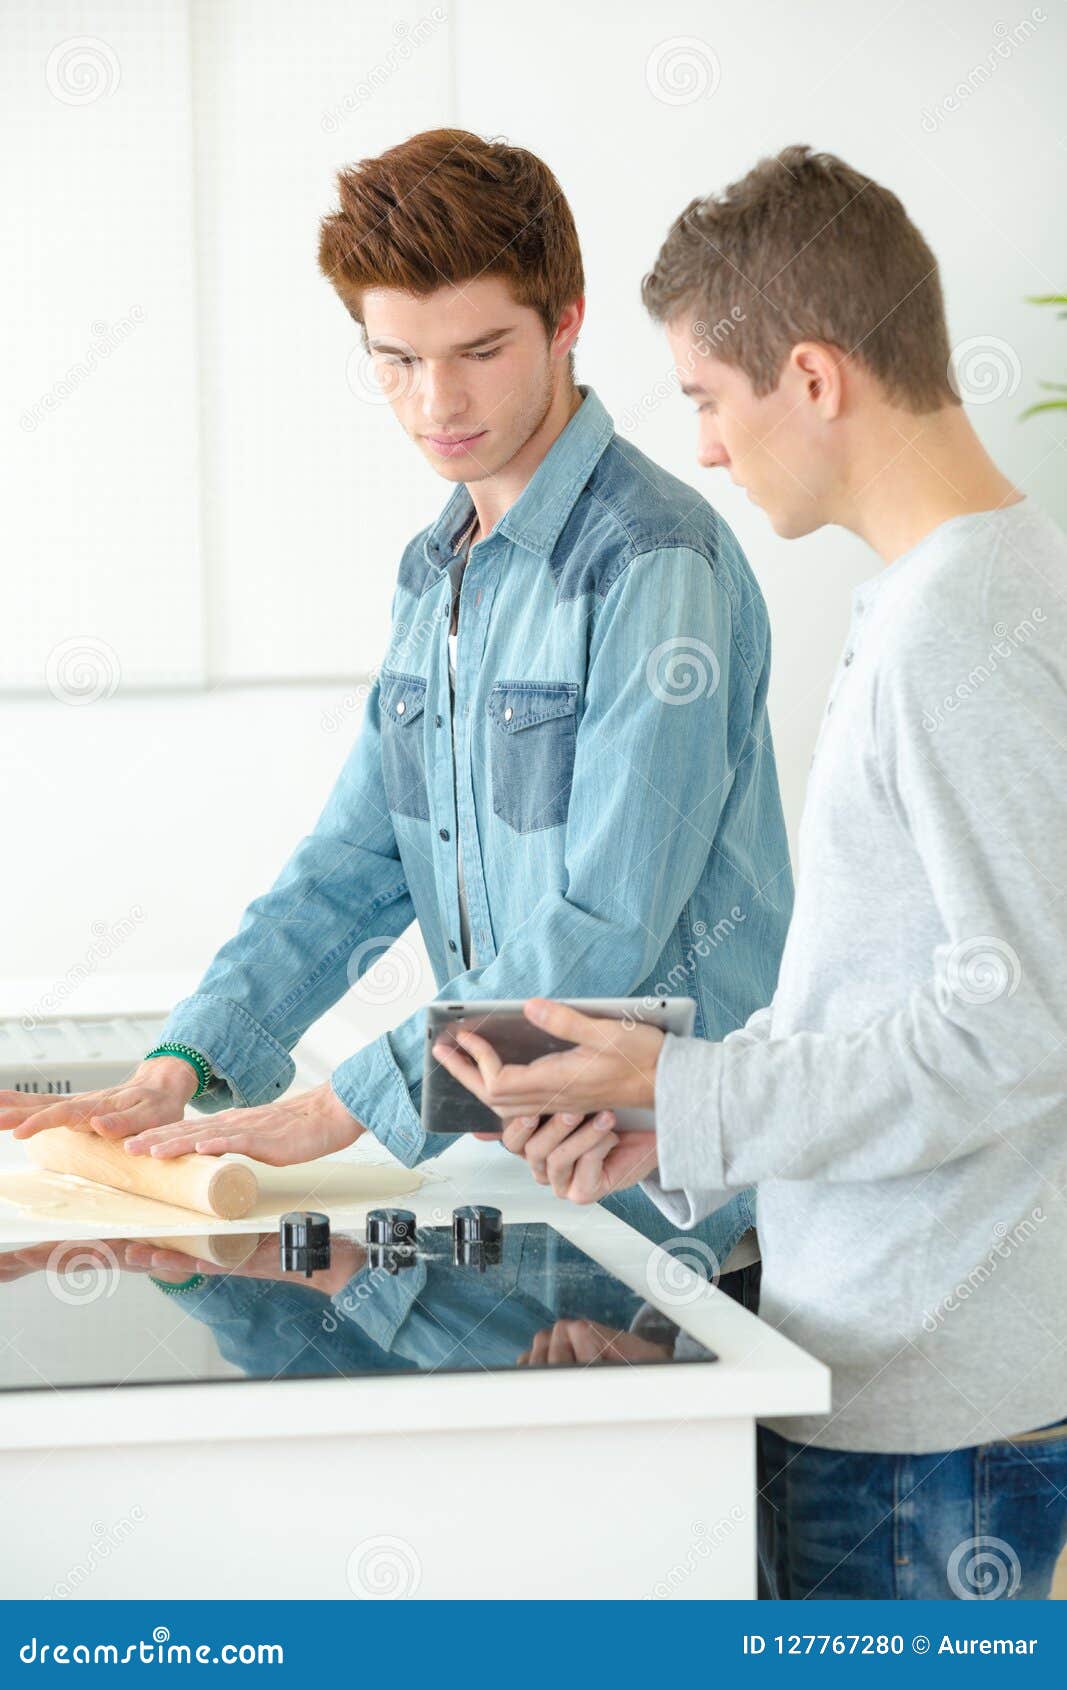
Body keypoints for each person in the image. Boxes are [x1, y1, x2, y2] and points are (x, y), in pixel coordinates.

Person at [1, 129, 792, 1301]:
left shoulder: (651, 559)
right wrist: (190, 1055)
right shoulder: (437, 574)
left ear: (565, 318)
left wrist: (334, 1110)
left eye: (479, 349)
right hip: (531, 1198)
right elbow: (352, 863)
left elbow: (605, 929)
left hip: (669, 1220)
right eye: (395, 360)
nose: (438, 401)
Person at [433, 145, 1067, 1600]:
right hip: (901, 1380)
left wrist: (683, 1088)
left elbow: (1013, 1025)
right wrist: (698, 1129)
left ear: (812, 377)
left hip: (927, 1419)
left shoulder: (956, 630)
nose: (704, 447)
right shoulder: (945, 596)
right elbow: (888, 992)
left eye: (710, 399)